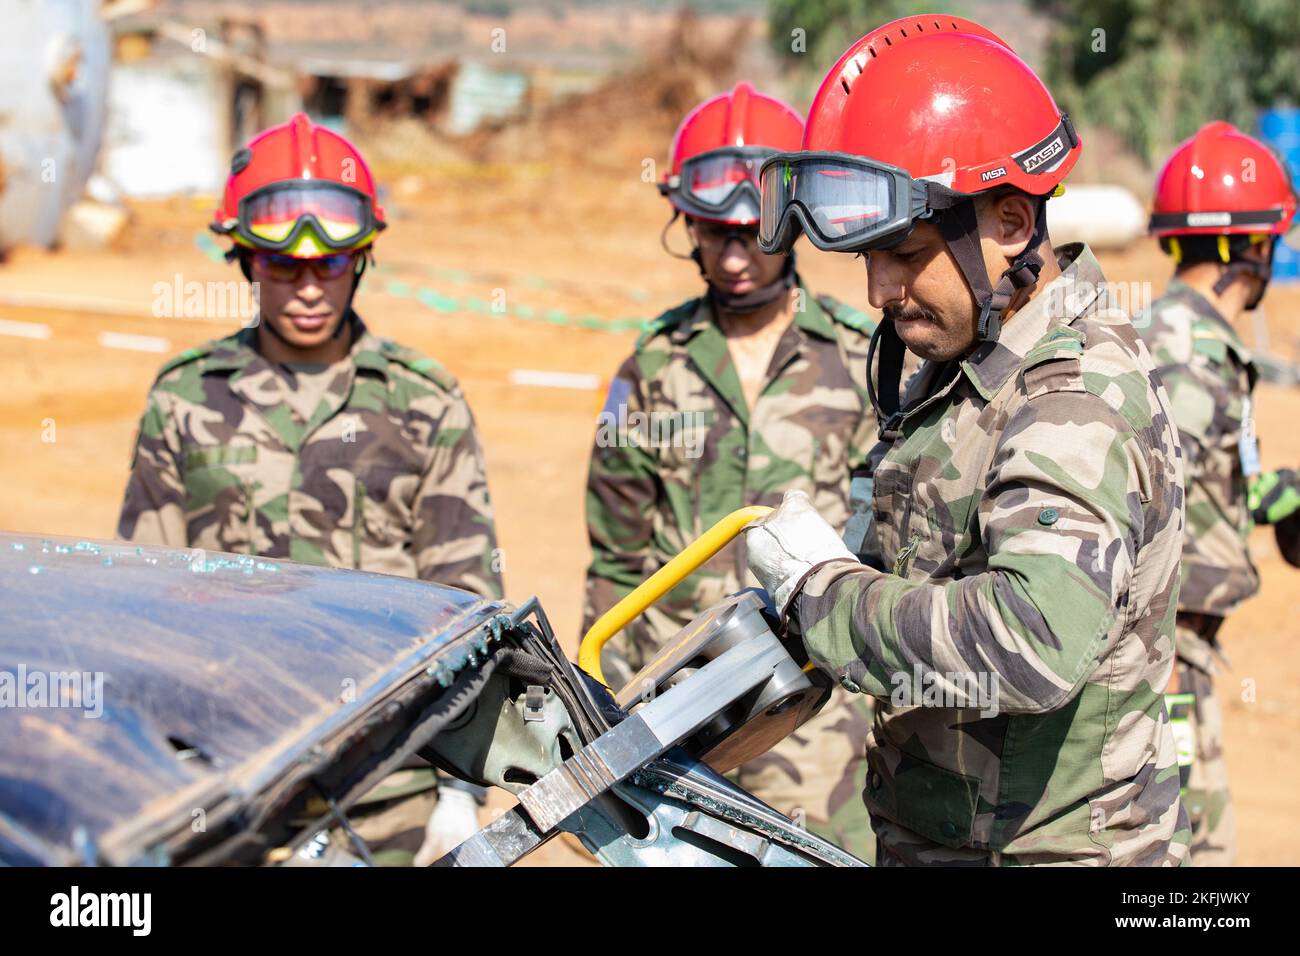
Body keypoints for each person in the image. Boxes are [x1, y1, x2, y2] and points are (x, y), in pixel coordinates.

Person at [746, 16, 1190, 865]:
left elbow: (1030, 642)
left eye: (904, 255)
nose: (880, 290)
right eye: (864, 262)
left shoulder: (1075, 399)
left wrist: (825, 597)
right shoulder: (969, 356)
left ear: (1013, 222)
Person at [117, 113, 500, 865]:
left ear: (360, 258)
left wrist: (462, 789)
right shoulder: (185, 398)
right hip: (231, 782)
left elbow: (467, 600)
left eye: (329, 265)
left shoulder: (424, 401)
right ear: (244, 260)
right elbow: (143, 601)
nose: (306, 286)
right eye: (280, 266)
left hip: (390, 780)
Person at [582, 82, 879, 859]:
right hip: (676, 709)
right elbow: (615, 554)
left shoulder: (862, 358)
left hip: (820, 720)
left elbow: (891, 539)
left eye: (754, 231)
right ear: (688, 228)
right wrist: (601, 721)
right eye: (714, 233)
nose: (736, 255)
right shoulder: (650, 367)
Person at [1137, 120, 1299, 864]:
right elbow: (1131, 508)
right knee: (1190, 852)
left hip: (1174, 648)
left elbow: (1191, 478)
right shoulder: (1193, 360)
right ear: (1254, 248)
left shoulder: (1178, 335)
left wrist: (1267, 494)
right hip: (1163, 650)